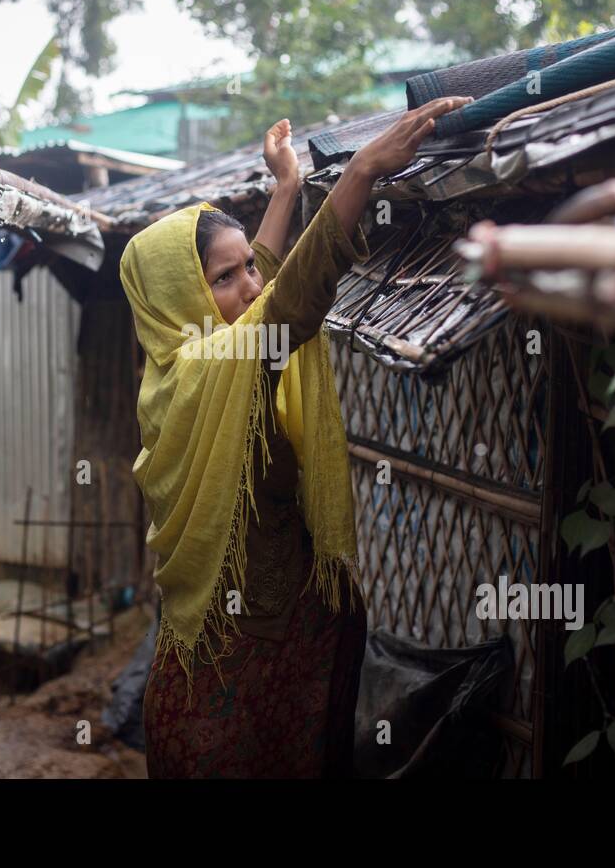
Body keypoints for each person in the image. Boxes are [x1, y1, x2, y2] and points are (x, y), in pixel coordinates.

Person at [120, 96, 473, 778]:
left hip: (300, 644)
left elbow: (264, 285)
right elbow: (288, 303)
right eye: (223, 278)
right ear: (176, 301)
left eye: (247, 264)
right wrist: (362, 171)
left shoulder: (186, 366)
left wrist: (287, 187)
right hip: (234, 668)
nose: (250, 283)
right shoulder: (211, 369)